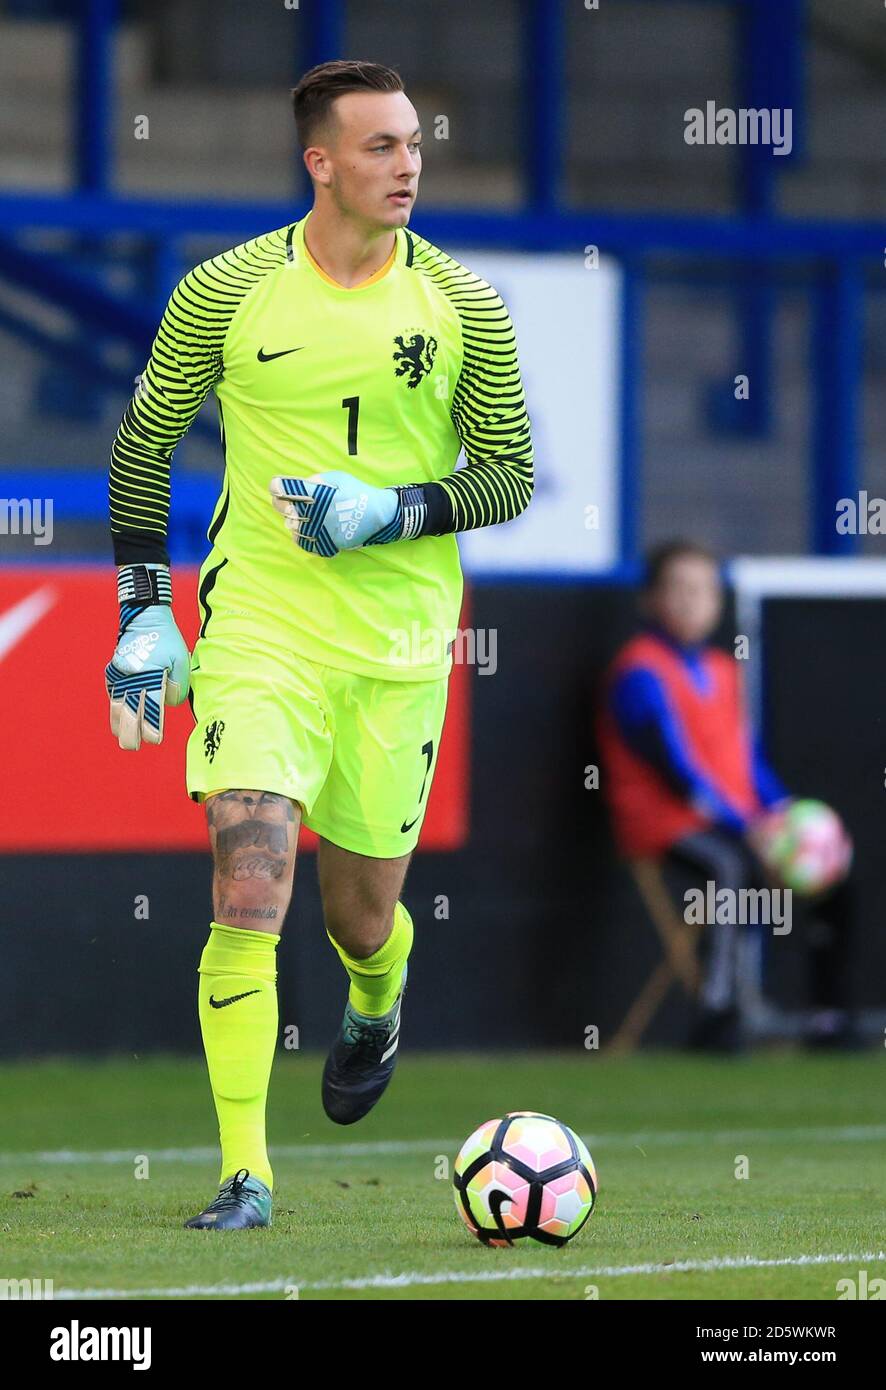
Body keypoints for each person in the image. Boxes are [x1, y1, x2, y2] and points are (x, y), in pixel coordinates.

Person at [104, 60, 533, 1229]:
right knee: (250, 883)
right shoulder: (225, 289)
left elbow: (509, 475)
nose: (408, 163)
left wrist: (388, 510)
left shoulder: (462, 303)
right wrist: (143, 607)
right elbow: (142, 444)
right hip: (263, 627)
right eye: (382, 145)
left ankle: (376, 997)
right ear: (321, 162)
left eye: (414, 143)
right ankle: (245, 1174)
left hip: (399, 643)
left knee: (358, 916)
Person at [597, 540, 853, 1052]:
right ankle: (717, 1015)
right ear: (651, 599)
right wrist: (750, 829)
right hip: (665, 824)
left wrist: (783, 813)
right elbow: (679, 775)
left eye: (704, 590)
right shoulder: (640, 673)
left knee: (836, 869)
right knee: (731, 867)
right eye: (679, 588)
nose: (692, 601)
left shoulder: (721, 669)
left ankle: (829, 1020)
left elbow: (745, 759)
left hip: (736, 821)